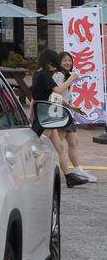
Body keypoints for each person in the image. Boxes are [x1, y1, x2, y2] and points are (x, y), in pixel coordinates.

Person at [31, 49, 89, 187]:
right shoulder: (43, 75)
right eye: (54, 63)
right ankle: (37, 175)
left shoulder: (38, 75)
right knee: (42, 148)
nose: (55, 67)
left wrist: (70, 106)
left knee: (59, 147)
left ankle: (69, 177)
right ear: (48, 62)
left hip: (45, 115)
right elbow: (59, 90)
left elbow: (48, 96)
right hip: (46, 117)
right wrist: (71, 78)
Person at [54, 51, 97, 183]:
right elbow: (57, 92)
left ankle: (77, 169)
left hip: (67, 112)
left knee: (73, 142)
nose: (68, 63)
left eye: (69, 60)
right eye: (64, 60)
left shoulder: (66, 75)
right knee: (58, 146)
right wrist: (72, 78)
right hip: (59, 112)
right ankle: (64, 172)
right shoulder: (59, 75)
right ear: (59, 62)